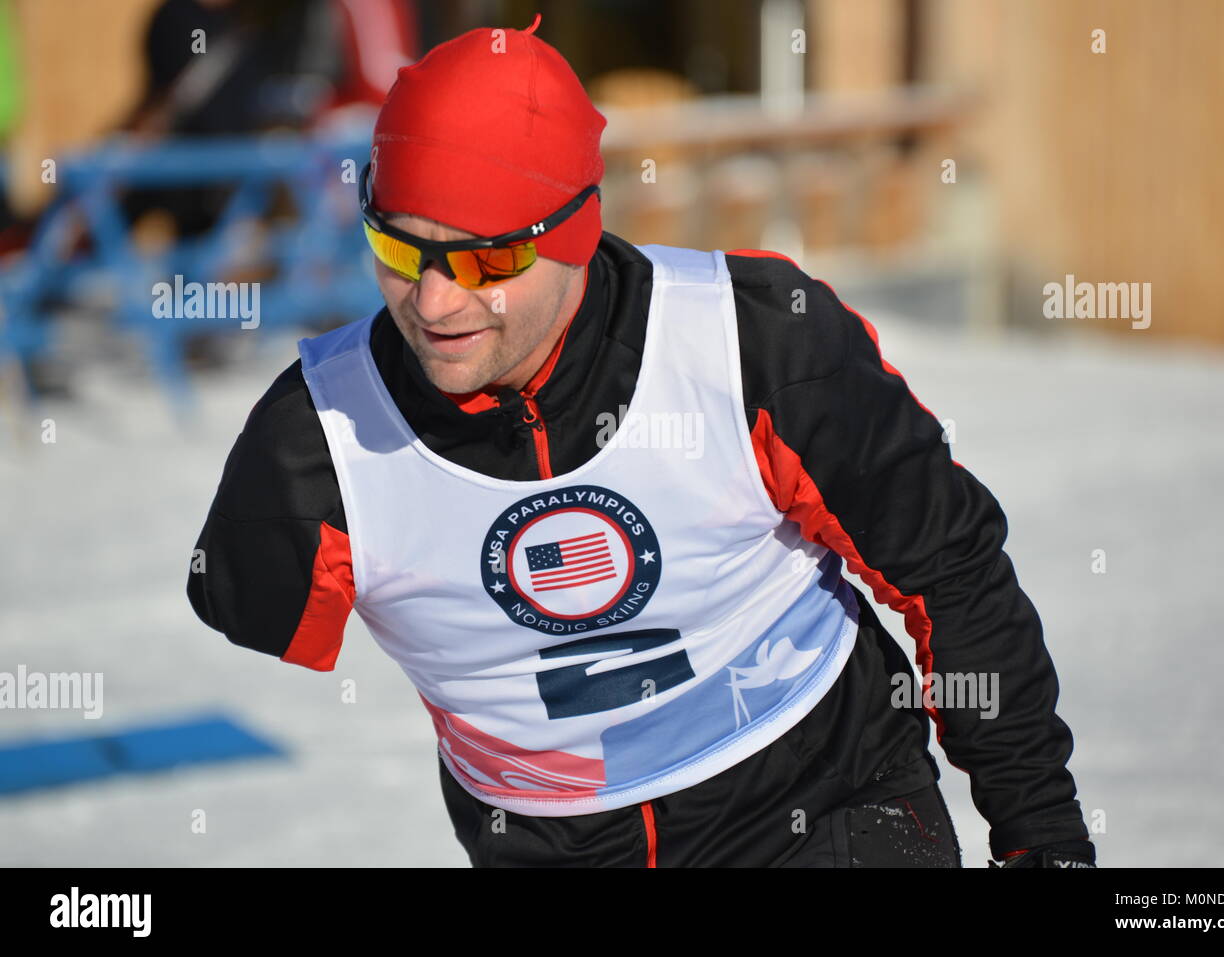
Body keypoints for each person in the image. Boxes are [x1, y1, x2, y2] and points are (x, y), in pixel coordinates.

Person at [186, 14, 1095, 868]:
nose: (433, 301)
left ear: (574, 232)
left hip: (823, 810)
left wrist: (1042, 840)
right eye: (399, 247)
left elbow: (954, 575)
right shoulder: (321, 440)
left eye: (485, 259)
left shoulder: (753, 347)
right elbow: (233, 596)